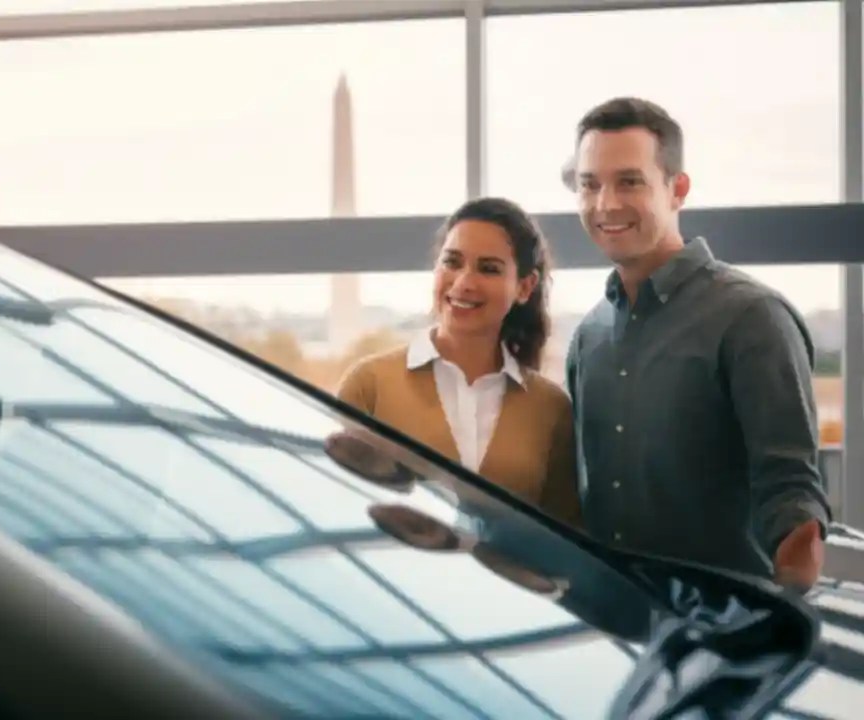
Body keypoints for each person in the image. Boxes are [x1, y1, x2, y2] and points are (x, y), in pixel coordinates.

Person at [563, 96, 831, 592]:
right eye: (589, 184)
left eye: (629, 181)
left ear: (677, 189)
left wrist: (783, 617)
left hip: (728, 626)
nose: (605, 204)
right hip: (616, 622)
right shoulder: (588, 337)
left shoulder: (752, 318)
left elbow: (792, 494)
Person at [336, 196, 582, 528]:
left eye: (488, 269)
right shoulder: (369, 385)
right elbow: (336, 505)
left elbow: (564, 537)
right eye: (452, 262)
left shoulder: (550, 409)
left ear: (525, 287)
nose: (464, 282)